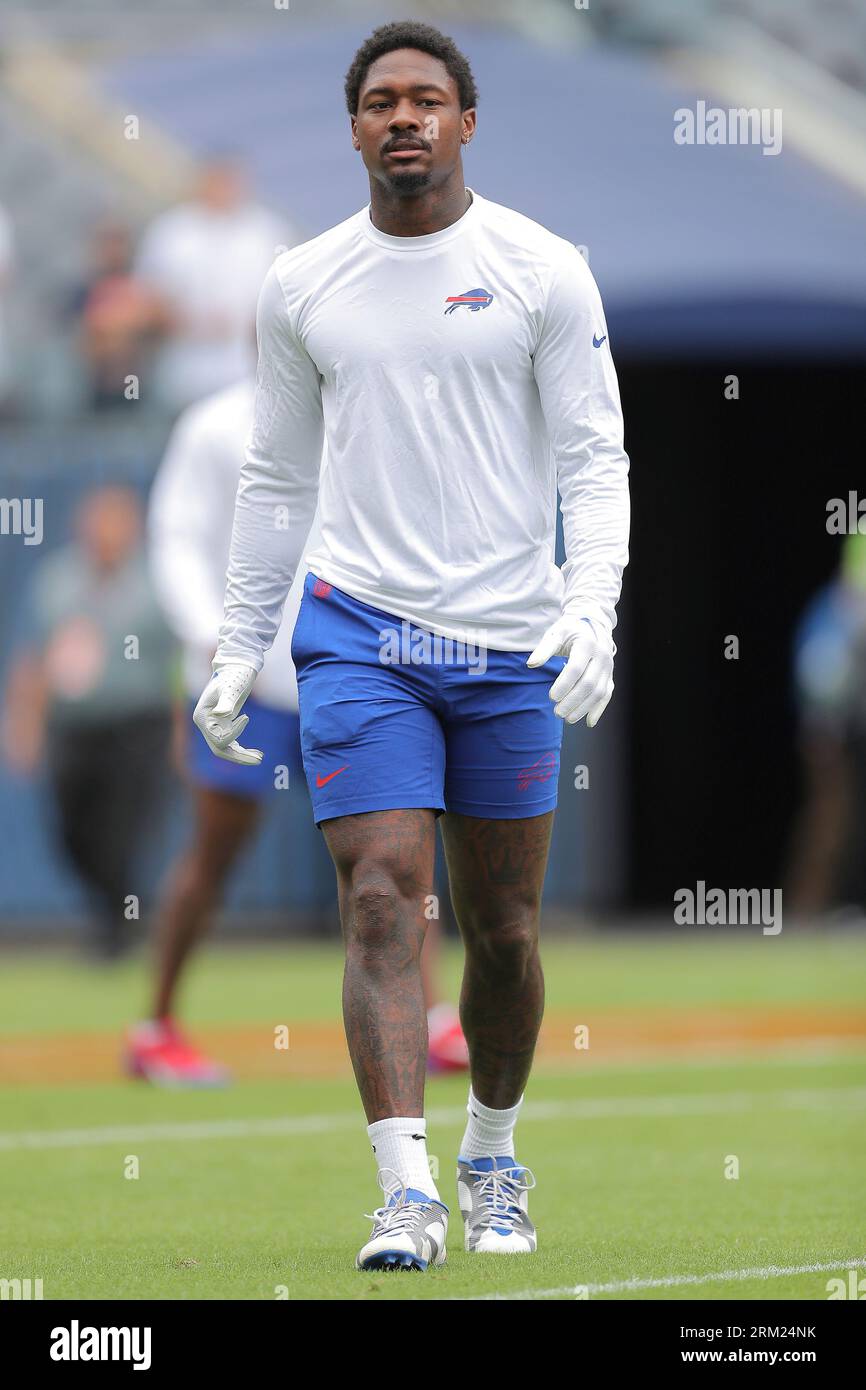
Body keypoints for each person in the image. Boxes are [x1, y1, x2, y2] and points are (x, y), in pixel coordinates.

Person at [194, 21, 630, 1271]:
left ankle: (492, 1155)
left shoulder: (543, 268)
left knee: (502, 930)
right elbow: (275, 478)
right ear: (351, 128)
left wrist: (588, 605)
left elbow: (594, 459)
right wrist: (237, 643)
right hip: (358, 638)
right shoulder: (299, 282)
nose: (403, 117)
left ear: (466, 121)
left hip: (502, 645)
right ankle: (404, 1191)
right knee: (385, 897)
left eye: (426, 99)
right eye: (379, 100)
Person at [128, 375, 467, 1084]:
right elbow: (178, 537)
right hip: (247, 678)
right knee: (215, 851)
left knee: (396, 848)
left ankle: (434, 1022)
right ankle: (155, 1026)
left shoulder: (371, 409)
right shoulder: (215, 424)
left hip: (351, 674)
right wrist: (208, 637)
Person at [1, 487, 176, 958]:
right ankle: (115, 912)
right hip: (74, 729)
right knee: (72, 834)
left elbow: (178, 665)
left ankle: (116, 929)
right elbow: (32, 661)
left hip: (139, 726)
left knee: (121, 833)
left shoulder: (154, 586)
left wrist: (185, 732)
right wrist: (24, 726)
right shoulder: (57, 582)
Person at [135, 158, 293, 411]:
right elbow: (147, 298)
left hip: (247, 368)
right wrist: (190, 322)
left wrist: (246, 324)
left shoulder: (266, 231)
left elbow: (285, 297)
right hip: (184, 365)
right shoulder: (172, 231)